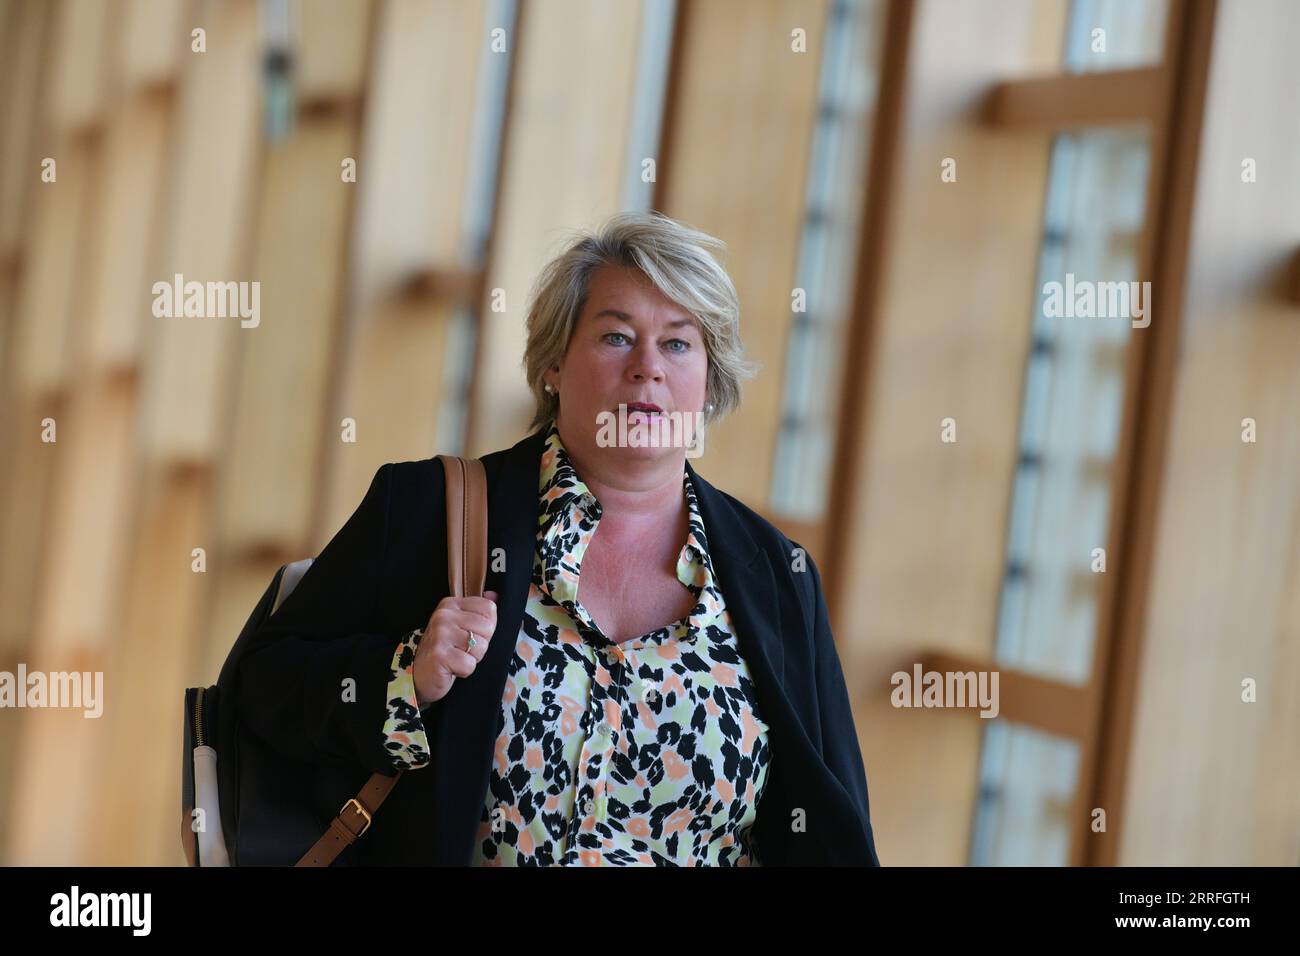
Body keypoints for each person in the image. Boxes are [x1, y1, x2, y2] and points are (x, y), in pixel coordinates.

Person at [237, 211, 881, 866]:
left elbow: (832, 828)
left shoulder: (775, 573)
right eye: (615, 336)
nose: (647, 368)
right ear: (552, 362)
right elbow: (260, 687)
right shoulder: (432, 510)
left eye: (679, 343)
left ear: (709, 377)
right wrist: (406, 678)